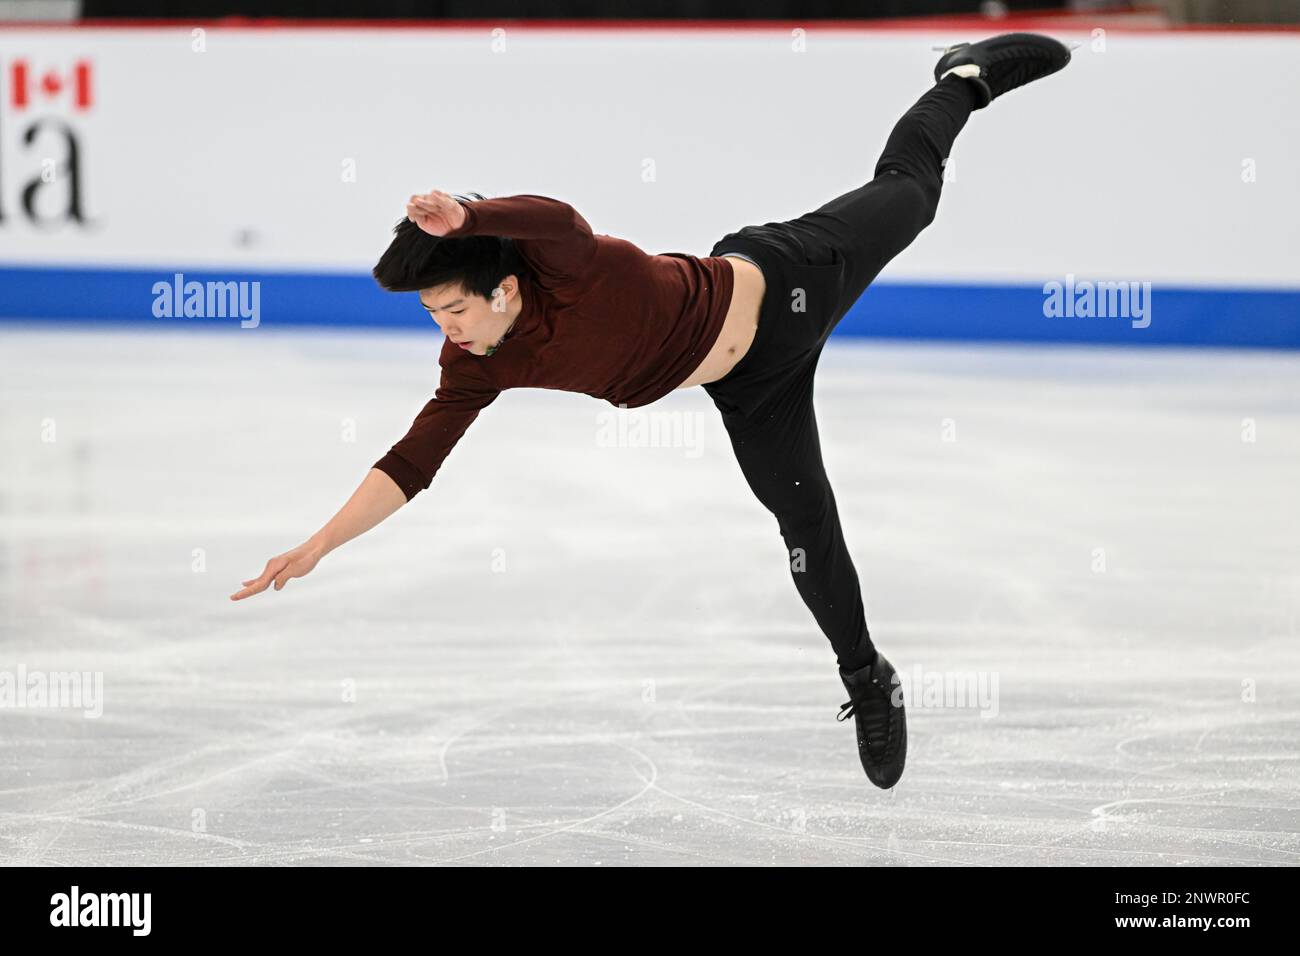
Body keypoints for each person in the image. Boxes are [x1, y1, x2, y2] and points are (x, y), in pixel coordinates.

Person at [232, 34, 1072, 789]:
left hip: (789, 280)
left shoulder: (562, 263)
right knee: (806, 524)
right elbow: (411, 462)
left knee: (912, 193)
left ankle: (963, 77)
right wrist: (317, 545)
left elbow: (554, 216)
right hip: (752, 388)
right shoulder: (479, 362)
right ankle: (868, 679)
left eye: (452, 310)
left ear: (505, 286)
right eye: (432, 317)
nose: (446, 332)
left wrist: (471, 215)